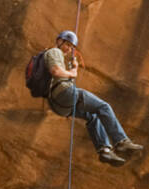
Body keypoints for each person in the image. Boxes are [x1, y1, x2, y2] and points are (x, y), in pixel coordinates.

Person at [44, 30, 143, 167]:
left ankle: (105, 150)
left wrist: (74, 68)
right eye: (67, 44)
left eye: (72, 47)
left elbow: (62, 75)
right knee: (103, 107)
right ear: (59, 41)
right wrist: (71, 72)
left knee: (92, 116)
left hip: (59, 105)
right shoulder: (54, 52)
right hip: (64, 94)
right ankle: (121, 142)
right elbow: (55, 71)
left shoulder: (58, 57)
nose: (69, 48)